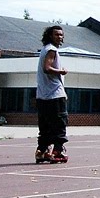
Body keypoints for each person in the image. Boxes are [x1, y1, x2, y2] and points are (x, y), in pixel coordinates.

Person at [35, 25, 69, 163]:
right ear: (50, 36)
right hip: (55, 94)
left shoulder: (44, 49)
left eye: (61, 35)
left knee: (45, 125)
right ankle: (57, 151)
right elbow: (47, 68)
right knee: (60, 122)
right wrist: (61, 71)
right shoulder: (51, 50)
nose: (59, 37)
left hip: (42, 95)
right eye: (56, 35)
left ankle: (42, 151)